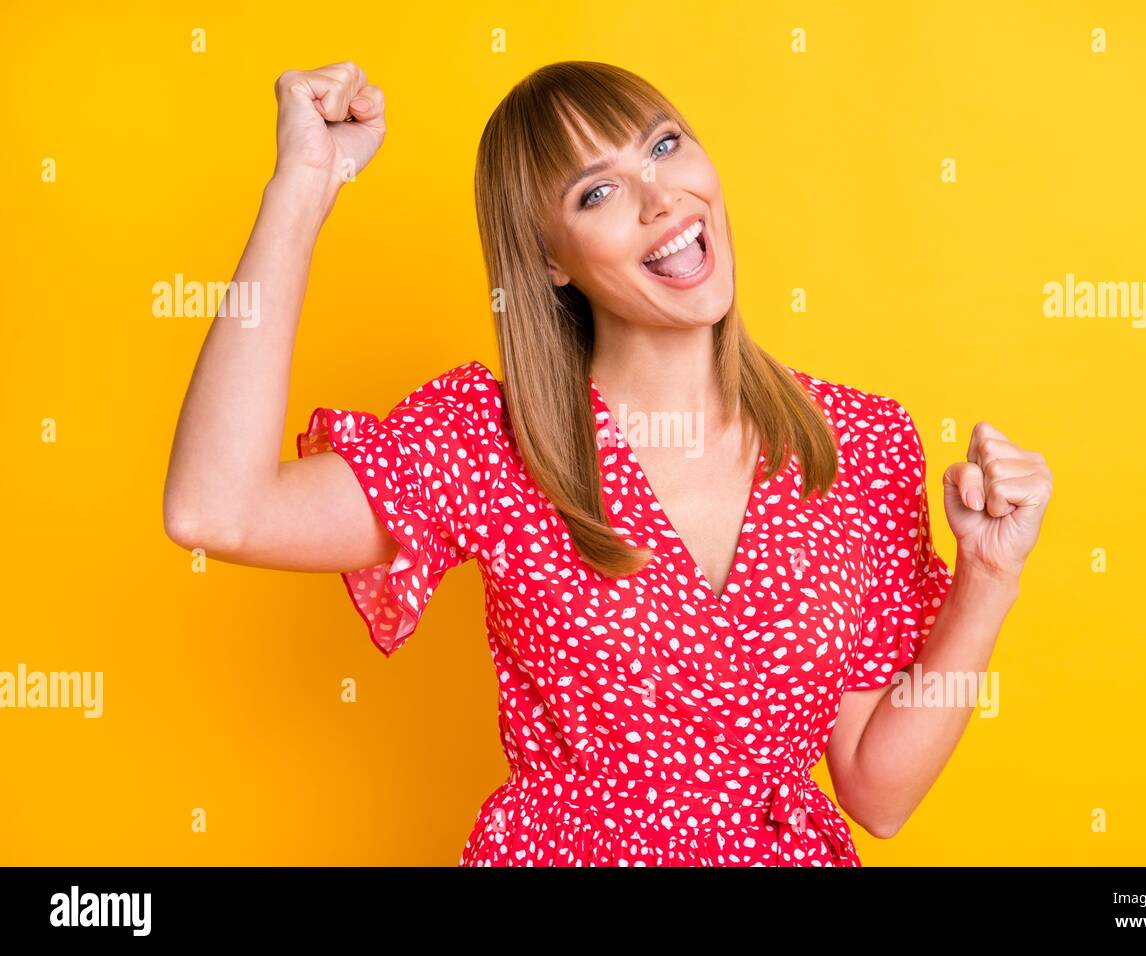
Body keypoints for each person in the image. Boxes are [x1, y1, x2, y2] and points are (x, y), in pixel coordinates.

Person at [163, 60, 1053, 866]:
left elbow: (877, 793)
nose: (660, 197)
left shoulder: (855, 444)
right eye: (598, 194)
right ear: (549, 260)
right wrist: (302, 187)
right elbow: (217, 509)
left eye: (665, 146)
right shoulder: (492, 442)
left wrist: (987, 575)